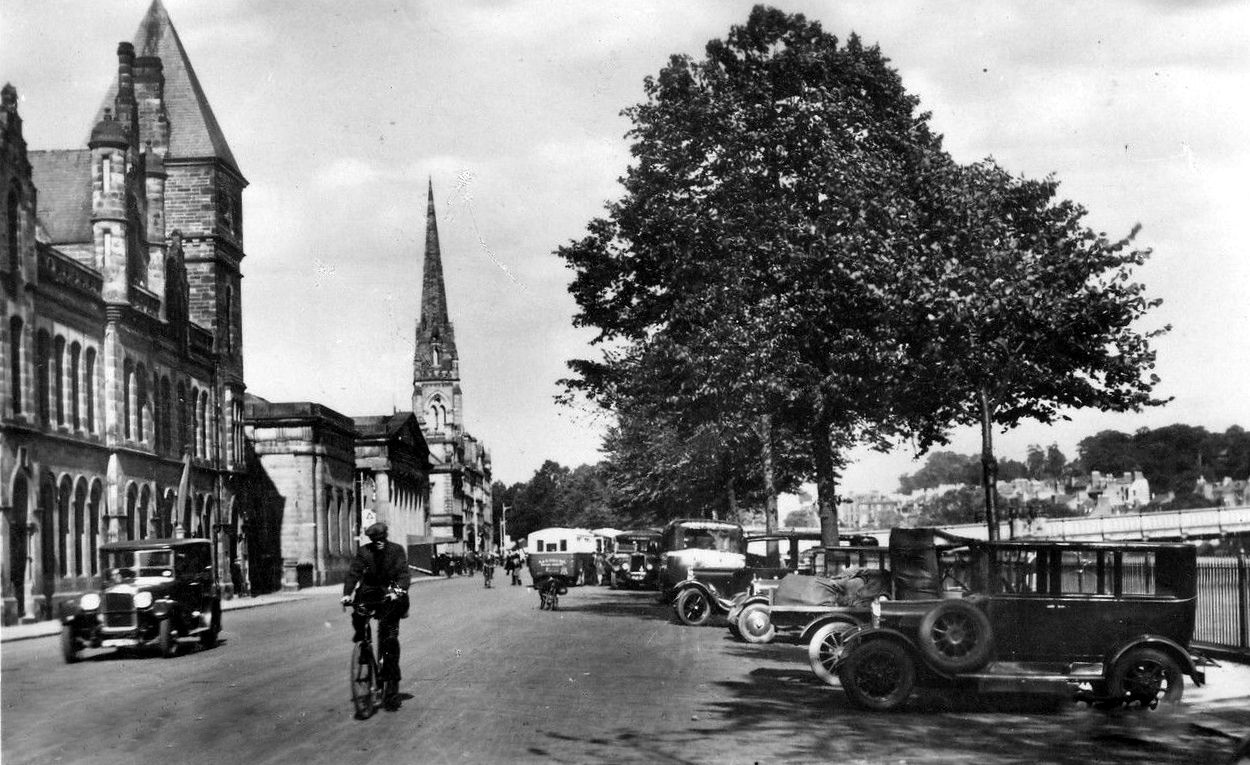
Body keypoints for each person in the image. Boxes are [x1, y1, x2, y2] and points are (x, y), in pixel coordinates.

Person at [340, 522, 410, 711]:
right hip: (371, 593)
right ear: (370, 540)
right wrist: (347, 593)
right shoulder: (364, 552)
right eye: (374, 540)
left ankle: (392, 691)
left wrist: (396, 591)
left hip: (392, 596)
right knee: (358, 611)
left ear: (385, 537)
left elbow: (404, 575)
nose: (378, 543)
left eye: (381, 540)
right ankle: (362, 642)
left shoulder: (396, 551)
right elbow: (353, 573)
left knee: (389, 641)